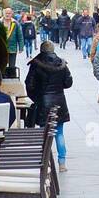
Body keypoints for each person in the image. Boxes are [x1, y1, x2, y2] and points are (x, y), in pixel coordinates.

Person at [24, 40, 72, 172]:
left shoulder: (36, 64)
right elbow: (68, 83)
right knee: (59, 133)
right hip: (60, 102)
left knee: (44, 133)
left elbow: (29, 84)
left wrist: (36, 97)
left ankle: (46, 161)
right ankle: (62, 163)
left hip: (43, 103)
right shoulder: (62, 64)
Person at [0, 7, 22, 73]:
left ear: (12, 14)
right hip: (1, 48)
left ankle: (12, 77)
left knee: (12, 66)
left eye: (9, 13)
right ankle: (2, 77)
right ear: (3, 13)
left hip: (12, 48)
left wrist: (21, 47)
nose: (7, 15)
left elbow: (20, 35)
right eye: (6, 13)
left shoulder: (16, 23)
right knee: (2, 65)